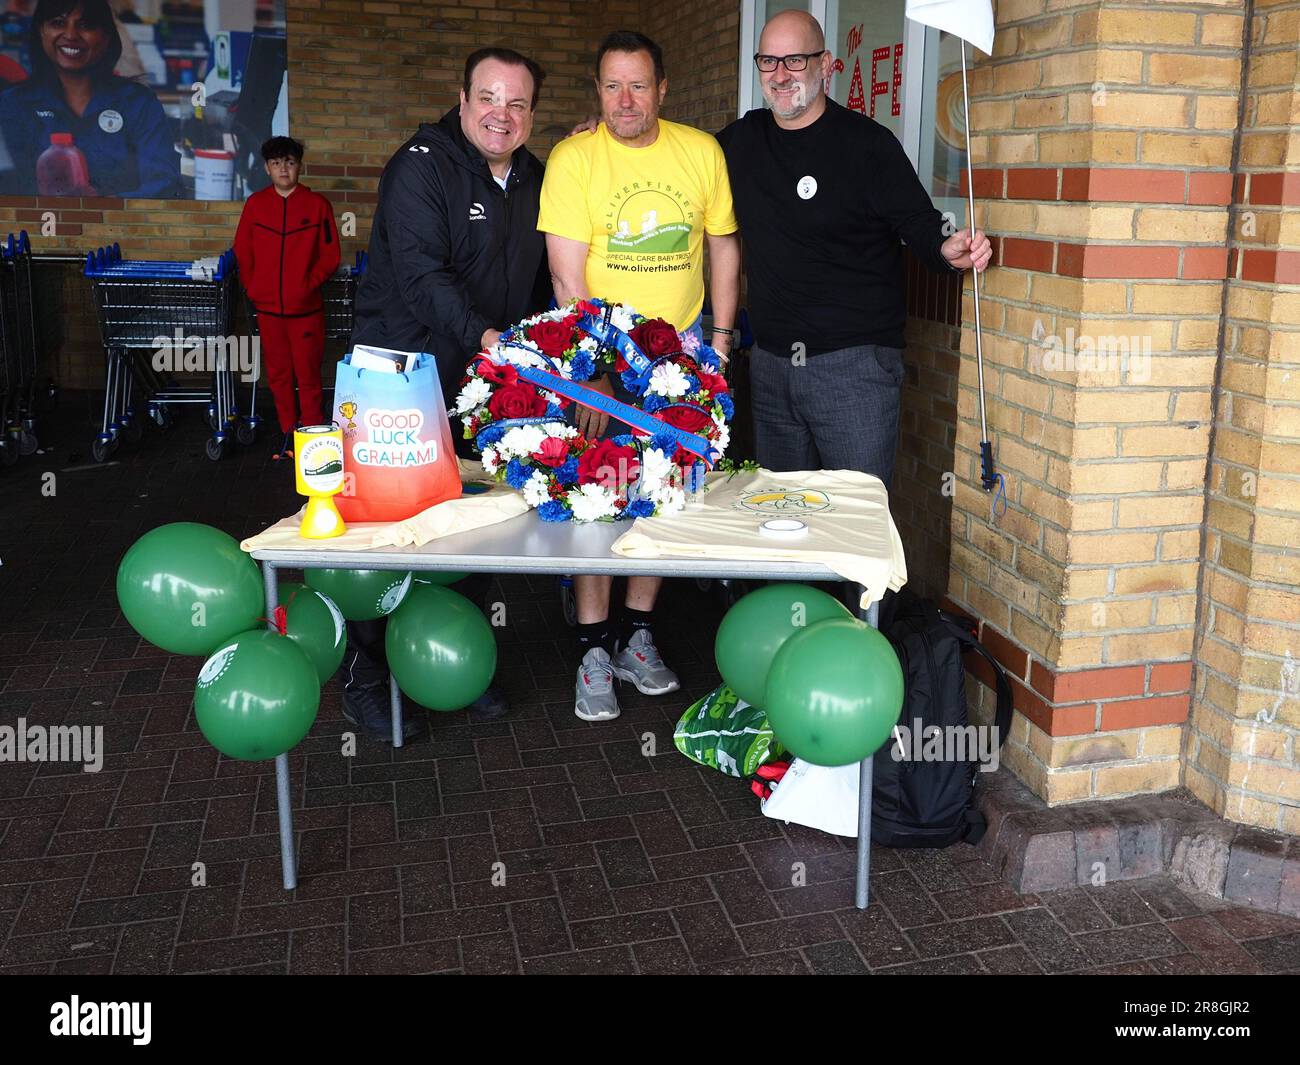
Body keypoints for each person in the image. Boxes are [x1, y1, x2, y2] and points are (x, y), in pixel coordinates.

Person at [339, 46, 552, 741]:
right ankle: (366, 673)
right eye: (488, 98)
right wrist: (489, 338)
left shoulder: (535, 176)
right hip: (398, 378)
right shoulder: (420, 166)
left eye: (517, 103)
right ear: (462, 100)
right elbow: (422, 276)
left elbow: (542, 281)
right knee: (386, 533)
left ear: (532, 114)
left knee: (474, 524)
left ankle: (452, 659)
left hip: (481, 383)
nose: (501, 115)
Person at [539, 30, 741, 723]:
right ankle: (593, 650)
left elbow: (722, 246)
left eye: (638, 85)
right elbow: (566, 278)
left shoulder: (701, 152)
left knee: (664, 496)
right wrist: (590, 373)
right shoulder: (574, 158)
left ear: (662, 89)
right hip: (601, 361)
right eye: (611, 85)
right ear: (597, 91)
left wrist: (719, 342)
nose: (625, 100)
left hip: (680, 363)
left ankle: (637, 636)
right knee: (596, 500)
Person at [716, 9, 991, 488]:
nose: (780, 74)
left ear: (826, 64)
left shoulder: (867, 145)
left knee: (855, 513)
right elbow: (676, 159)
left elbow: (918, 222)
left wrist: (946, 248)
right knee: (779, 514)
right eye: (768, 61)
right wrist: (603, 133)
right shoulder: (742, 141)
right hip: (771, 366)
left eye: (795, 60)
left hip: (853, 371)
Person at [0, 0, 179, 197]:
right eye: (58, 23)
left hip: (119, 218)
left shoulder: (138, 103)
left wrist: (101, 207)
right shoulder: (12, 105)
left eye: (85, 25)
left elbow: (164, 185)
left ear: (106, 36)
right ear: (40, 31)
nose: (71, 35)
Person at [233, 136, 340, 460]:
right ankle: (287, 434)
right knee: (279, 375)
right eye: (277, 163)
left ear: (299, 167)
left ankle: (312, 435)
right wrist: (254, 288)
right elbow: (243, 251)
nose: (283, 169)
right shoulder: (255, 205)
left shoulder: (317, 205)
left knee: (308, 375)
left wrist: (307, 284)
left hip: (306, 310)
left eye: (290, 162)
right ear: (267, 168)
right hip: (268, 311)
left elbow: (330, 256)